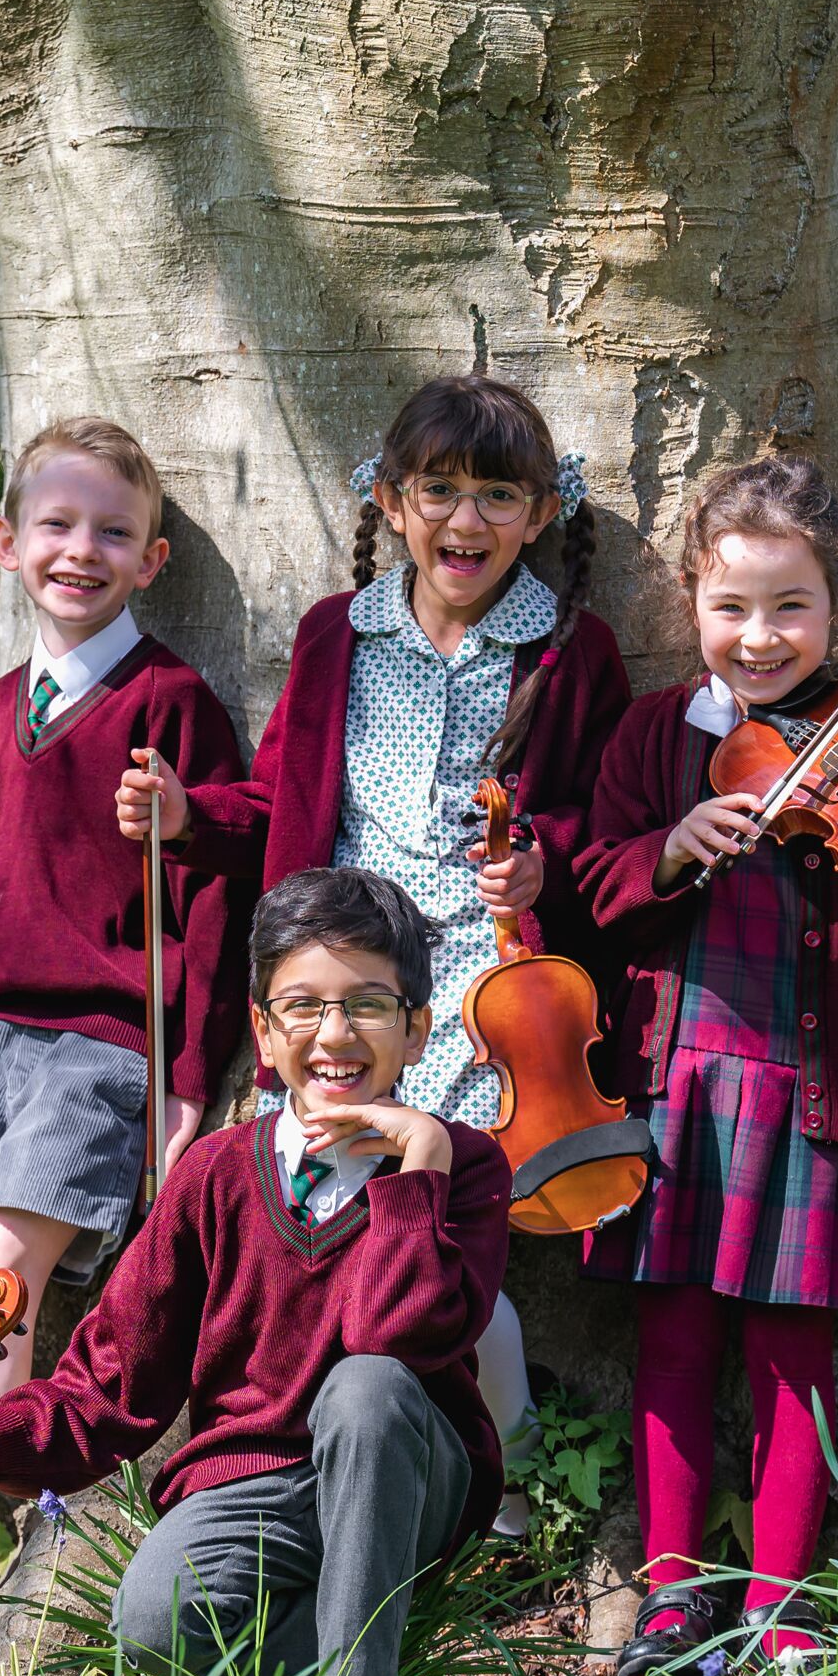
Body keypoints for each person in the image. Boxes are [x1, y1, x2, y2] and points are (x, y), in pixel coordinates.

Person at [115, 373, 629, 1533]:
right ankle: (332, 1458)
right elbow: (286, 803)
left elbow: (605, 819)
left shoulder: (571, 652)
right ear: (390, 502)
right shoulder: (335, 638)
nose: (467, 521)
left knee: (445, 1227)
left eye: (500, 495)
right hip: (346, 983)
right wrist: (193, 816)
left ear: (543, 514)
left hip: (489, 994)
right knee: (336, 1221)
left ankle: (514, 1488)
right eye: (439, 490)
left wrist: (542, 867)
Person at [0, 867, 511, 1676]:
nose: (335, 1035)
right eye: (302, 1007)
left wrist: (415, 1167)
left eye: (368, 1006)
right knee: (152, 1627)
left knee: (367, 1383)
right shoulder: (218, 1176)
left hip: (404, 1467)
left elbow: (396, 1333)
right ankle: (342, 1646)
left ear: (419, 1028)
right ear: (263, 1034)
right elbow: (115, 1377)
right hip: (257, 1486)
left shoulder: (462, 1169)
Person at [574, 453, 838, 1676]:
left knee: (793, 1361)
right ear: (694, 597)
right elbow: (594, 887)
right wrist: (664, 847)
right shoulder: (654, 737)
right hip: (678, 1089)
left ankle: (789, 1615)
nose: (759, 637)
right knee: (675, 1346)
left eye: (790, 607)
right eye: (732, 606)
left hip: (807, 1092)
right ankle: (671, 1595)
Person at [0, 417, 247, 1466]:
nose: (82, 550)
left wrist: (188, 1082)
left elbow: (214, 902)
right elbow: (13, 904)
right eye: (57, 524)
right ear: (6, 542)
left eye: (113, 532)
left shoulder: (171, 703)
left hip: (104, 1046)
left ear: (152, 562)